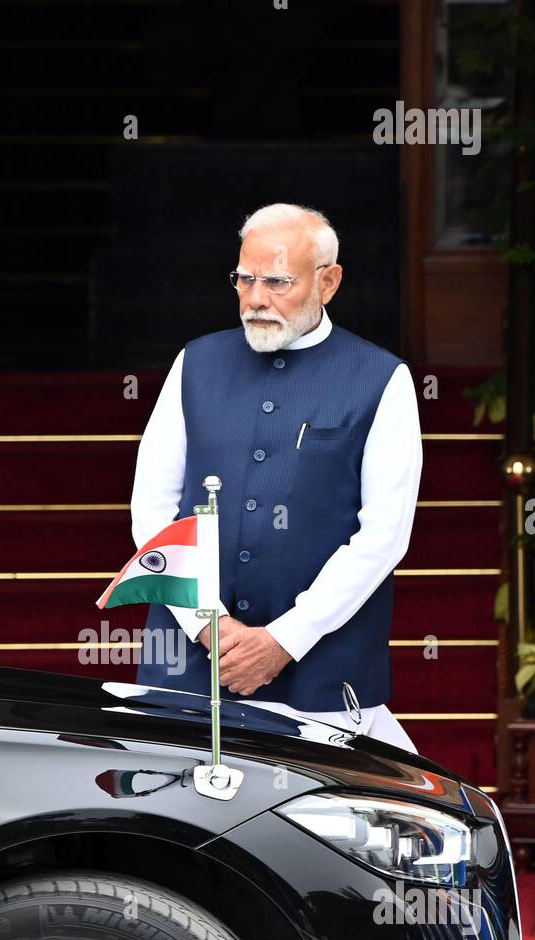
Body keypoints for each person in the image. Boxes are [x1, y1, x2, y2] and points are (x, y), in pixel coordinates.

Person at [131, 202, 422, 752]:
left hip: (322, 667)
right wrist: (206, 627)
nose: (256, 297)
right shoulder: (195, 362)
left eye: (277, 281)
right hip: (190, 662)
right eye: (245, 278)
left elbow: (384, 534)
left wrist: (285, 640)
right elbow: (152, 508)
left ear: (328, 282)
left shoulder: (383, 379)